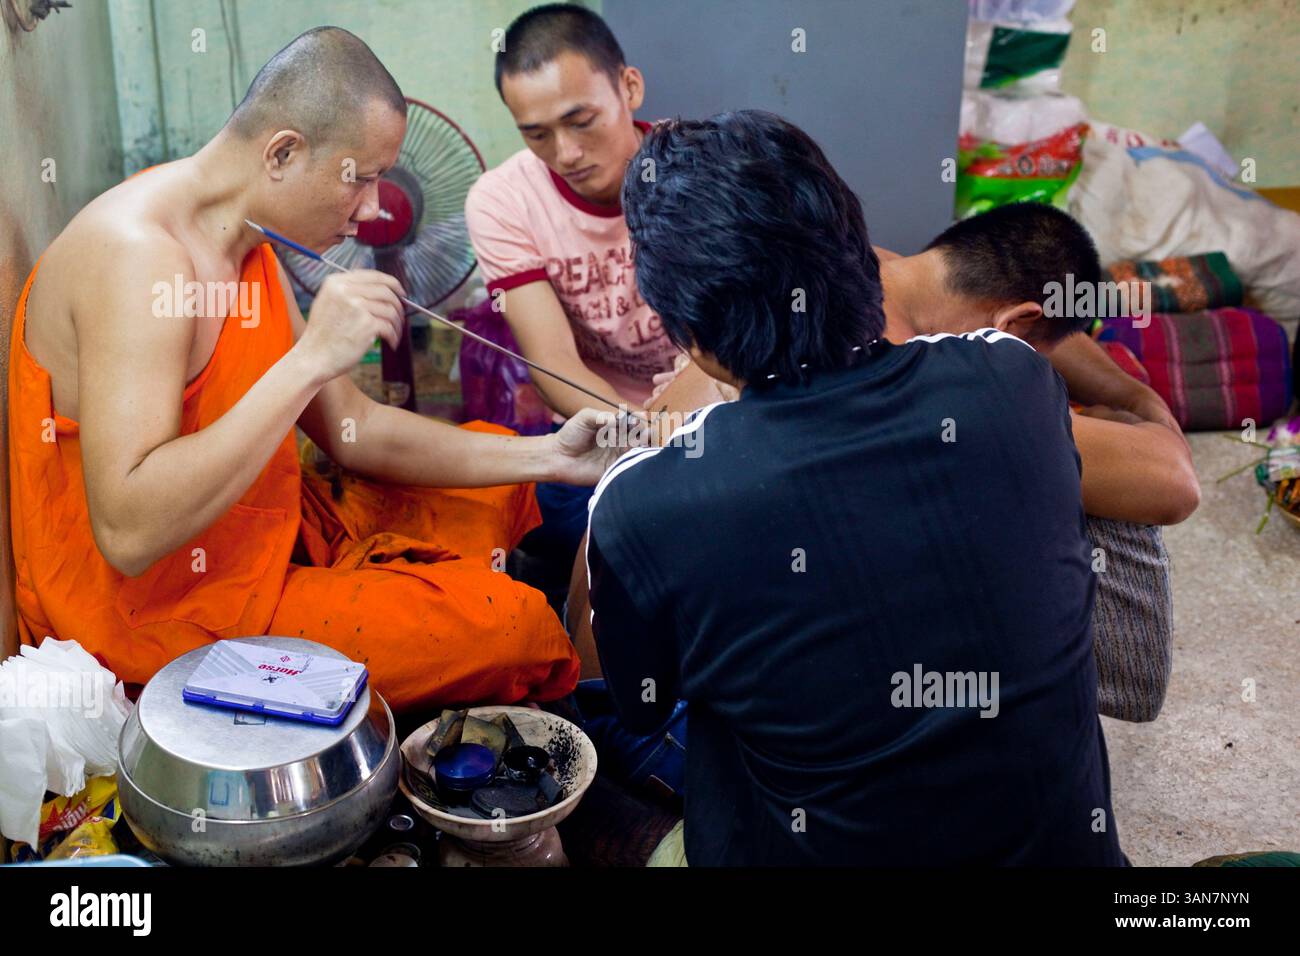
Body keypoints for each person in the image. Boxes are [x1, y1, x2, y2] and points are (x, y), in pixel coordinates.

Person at [8, 27, 626, 713]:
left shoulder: (247, 242)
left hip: (259, 535)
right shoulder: (141, 258)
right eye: (359, 179)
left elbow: (354, 427)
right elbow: (128, 535)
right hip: (160, 613)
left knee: (503, 486)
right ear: (282, 152)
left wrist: (551, 455)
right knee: (512, 629)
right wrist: (307, 361)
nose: (372, 211)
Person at [586, 110, 1128, 865]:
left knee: (587, 725)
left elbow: (643, 704)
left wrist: (616, 518)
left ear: (689, 339)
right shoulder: (1016, 381)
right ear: (860, 249)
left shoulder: (643, 505)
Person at [643, 202, 1197, 723]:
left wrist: (1128, 392)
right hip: (696, 700)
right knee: (1081, 491)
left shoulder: (870, 264)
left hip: (630, 637)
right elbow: (1173, 484)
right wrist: (1141, 412)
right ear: (1011, 330)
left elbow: (1034, 312)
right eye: (1029, 355)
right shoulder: (931, 384)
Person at [465, 3, 680, 560]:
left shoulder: (697, 167)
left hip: (711, 410)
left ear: (629, 88)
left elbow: (731, 342)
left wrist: (691, 443)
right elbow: (554, 363)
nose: (565, 154)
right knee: (568, 534)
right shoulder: (503, 201)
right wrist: (642, 450)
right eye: (537, 135)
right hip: (601, 433)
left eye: (581, 121)